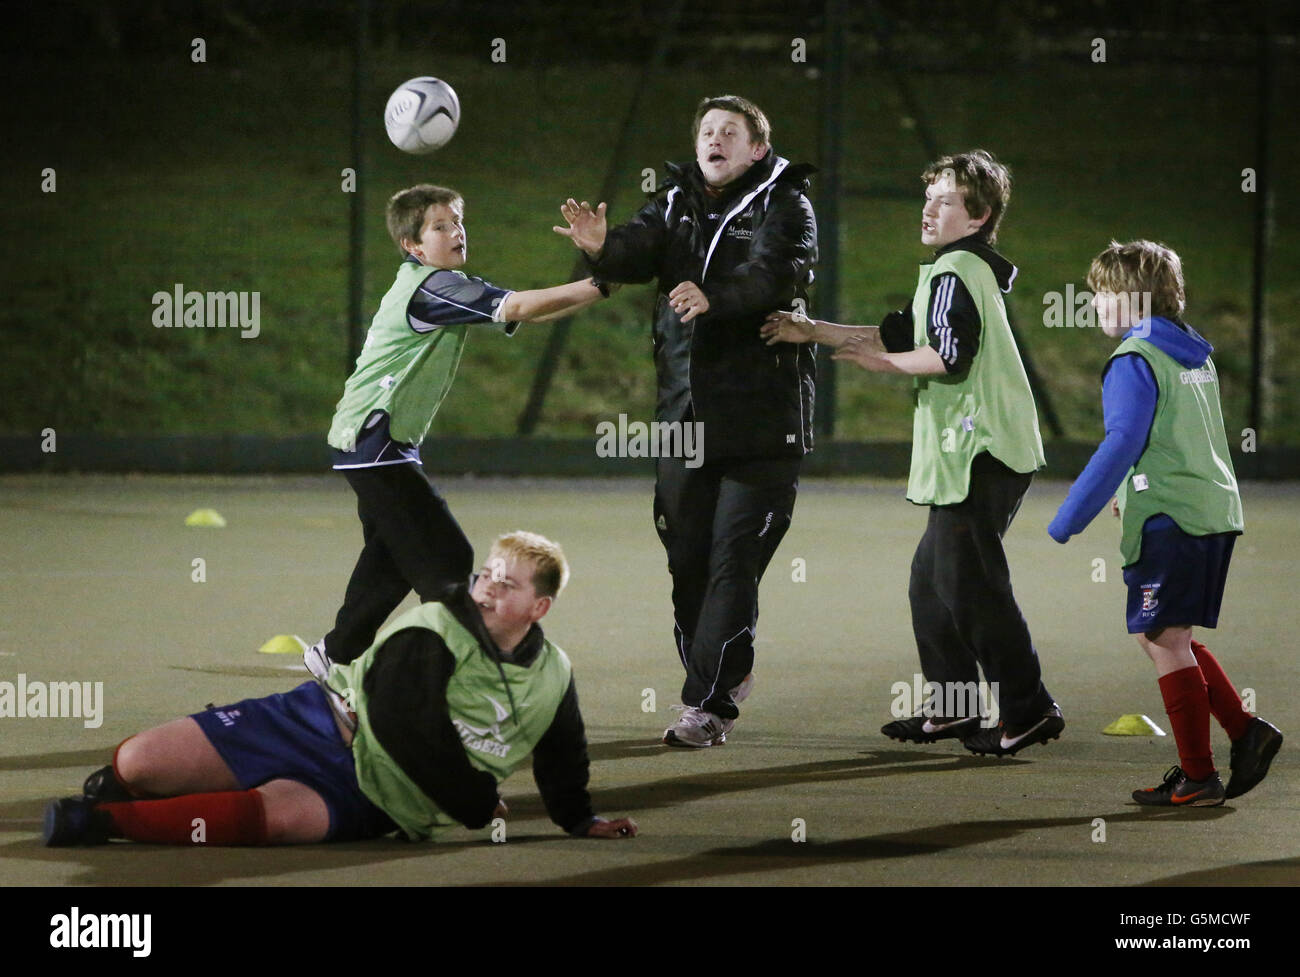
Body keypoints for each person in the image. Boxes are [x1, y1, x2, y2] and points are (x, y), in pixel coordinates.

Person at [44, 531, 638, 845]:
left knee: (271, 822)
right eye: (486, 575)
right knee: (139, 760)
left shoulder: (553, 673)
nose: (485, 590)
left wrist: (580, 818)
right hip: (315, 720)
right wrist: (475, 802)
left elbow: (564, 751)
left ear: (540, 606)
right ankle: (117, 788)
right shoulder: (432, 627)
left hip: (379, 797)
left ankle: (101, 825)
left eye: (506, 586)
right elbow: (405, 726)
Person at [763, 150, 1061, 756]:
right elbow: (897, 334)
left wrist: (886, 364)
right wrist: (813, 330)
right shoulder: (952, 270)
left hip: (985, 450)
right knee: (932, 582)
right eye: (928, 196)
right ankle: (953, 709)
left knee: (970, 584)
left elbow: (947, 354)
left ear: (977, 216)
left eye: (945, 200)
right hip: (978, 451)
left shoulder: (957, 271)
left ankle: (1029, 709)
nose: (929, 208)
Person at [554, 95, 818, 748]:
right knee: (687, 560)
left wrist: (714, 297)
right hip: (682, 417)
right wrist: (601, 248)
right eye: (706, 130)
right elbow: (636, 249)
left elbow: (775, 276)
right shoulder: (675, 200)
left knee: (732, 559)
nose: (714, 139)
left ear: (758, 148)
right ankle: (722, 674)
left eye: (730, 131)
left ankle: (707, 702)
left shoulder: (786, 202)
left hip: (761, 417)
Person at [309, 184, 610, 673]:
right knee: (447, 555)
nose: (456, 232)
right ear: (413, 245)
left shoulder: (441, 285)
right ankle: (472, 664)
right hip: (374, 442)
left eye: (458, 222)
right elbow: (519, 306)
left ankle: (335, 655)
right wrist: (607, 276)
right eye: (440, 226)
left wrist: (603, 282)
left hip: (375, 444)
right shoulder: (432, 287)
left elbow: (529, 311)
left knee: (391, 558)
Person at [1048, 240, 1281, 805]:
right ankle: (1246, 733)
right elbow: (1173, 439)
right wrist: (1133, 489)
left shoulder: (1135, 358)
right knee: (1167, 634)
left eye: (1102, 295)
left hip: (1174, 518)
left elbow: (1123, 440)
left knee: (1163, 636)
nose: (1096, 306)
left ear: (1131, 299)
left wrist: (1069, 515)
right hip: (1209, 510)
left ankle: (1200, 775)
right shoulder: (1191, 351)